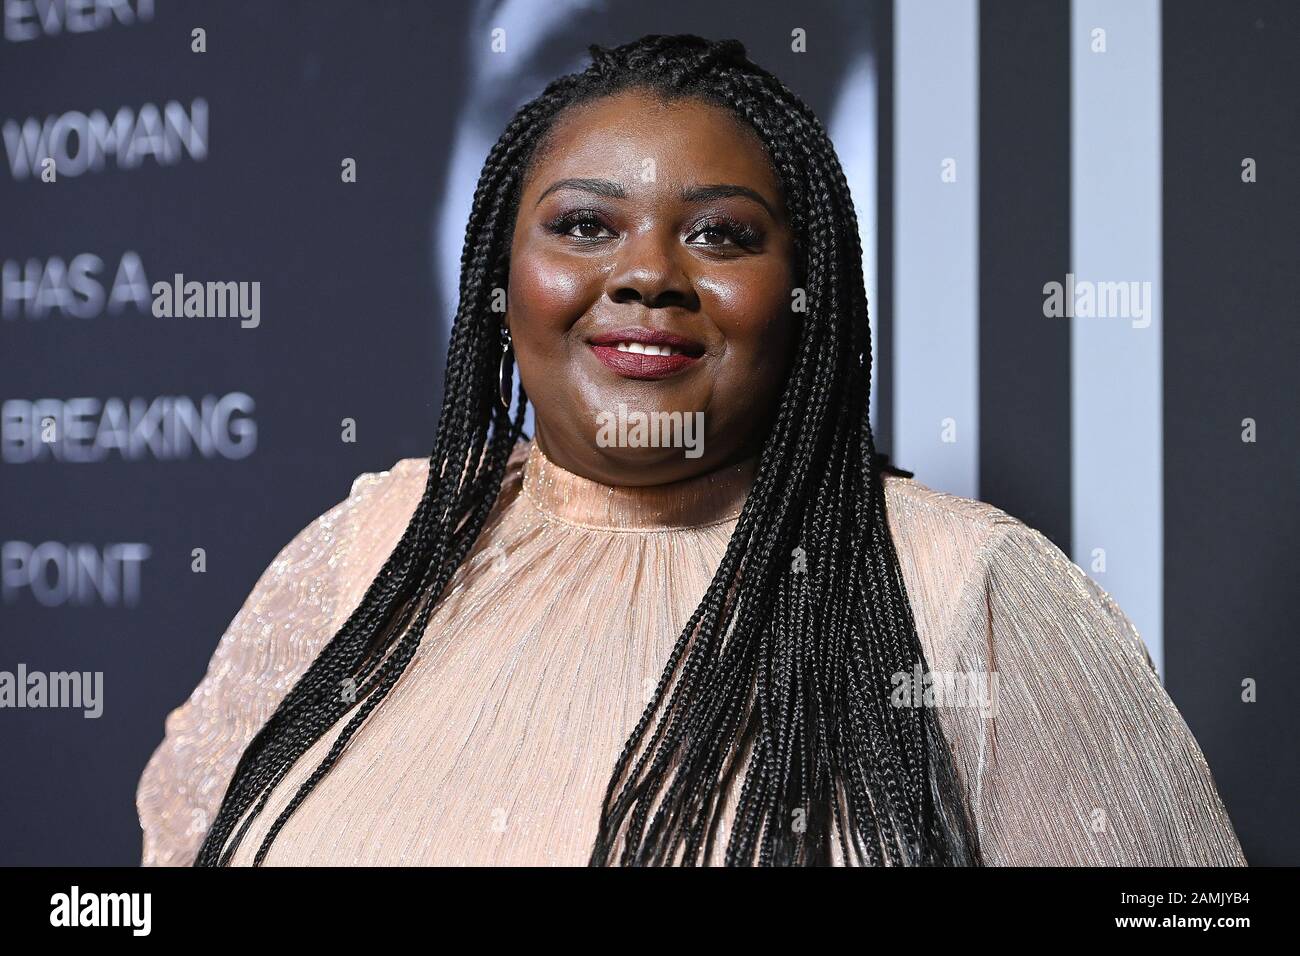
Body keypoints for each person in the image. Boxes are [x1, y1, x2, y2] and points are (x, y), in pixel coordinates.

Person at [136, 35, 1245, 867]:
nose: (646, 273)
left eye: (720, 233)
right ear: (499, 276)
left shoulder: (968, 589)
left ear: (807, 299)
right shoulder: (372, 548)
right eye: (582, 225)